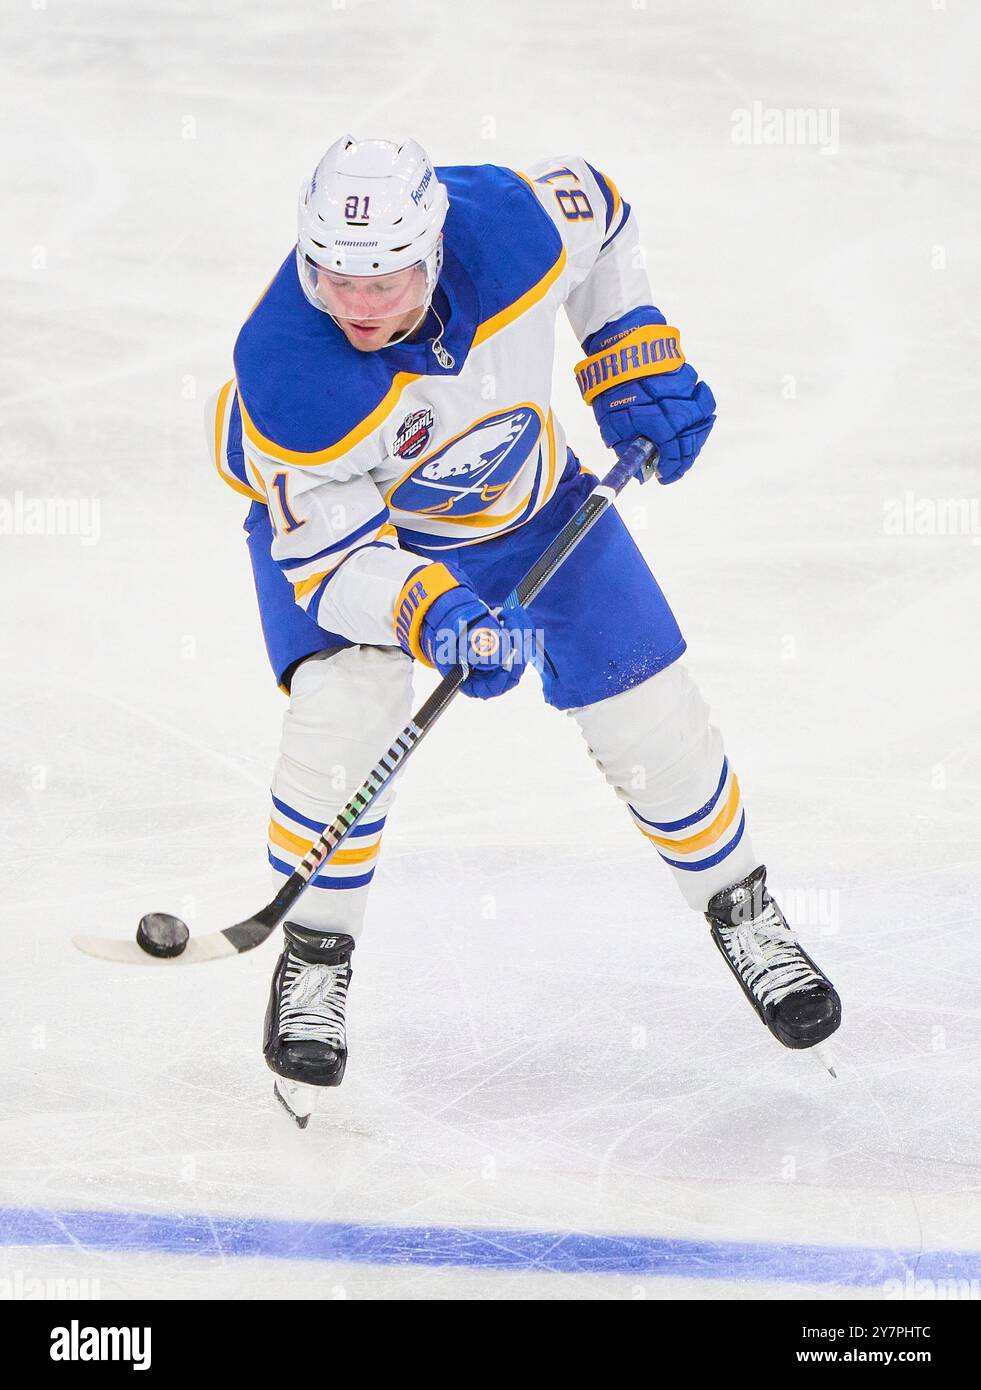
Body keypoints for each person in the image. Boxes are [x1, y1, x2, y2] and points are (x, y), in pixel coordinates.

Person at [206, 135, 840, 1124]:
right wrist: (435, 611)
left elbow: (604, 212)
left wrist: (633, 352)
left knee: (648, 703)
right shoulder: (289, 369)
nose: (359, 308)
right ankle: (315, 954)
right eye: (335, 279)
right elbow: (330, 566)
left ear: (435, 246)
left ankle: (742, 908)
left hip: (527, 500)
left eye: (386, 281)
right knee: (346, 711)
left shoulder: (508, 221)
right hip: (351, 541)